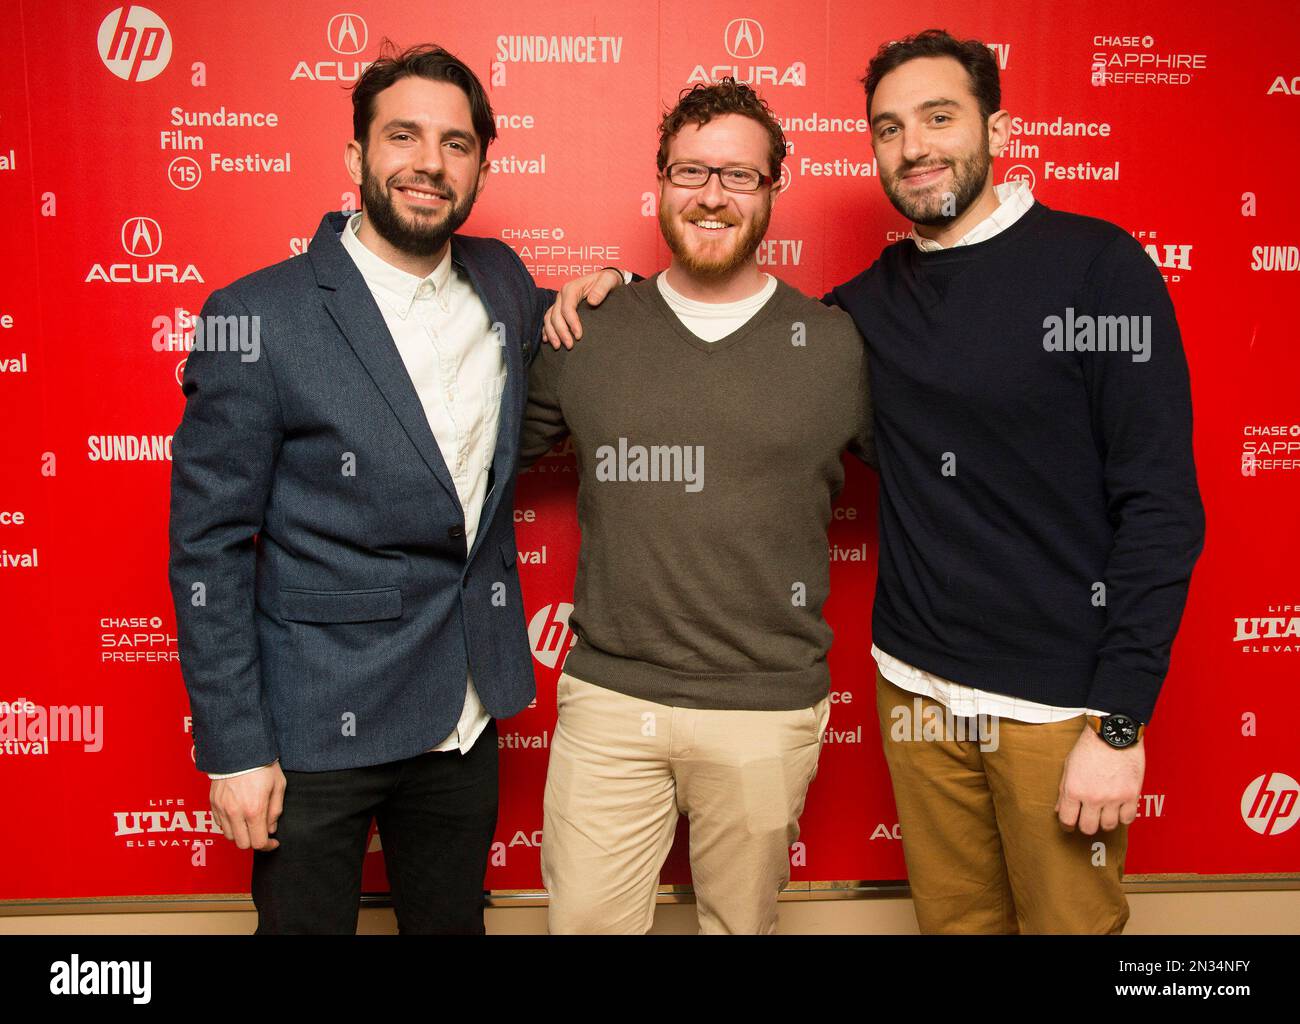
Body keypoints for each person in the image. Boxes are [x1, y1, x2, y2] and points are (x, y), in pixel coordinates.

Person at [544, 29, 1204, 935]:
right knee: (955, 925)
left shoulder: (1098, 267)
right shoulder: (865, 308)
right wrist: (612, 287)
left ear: (998, 130)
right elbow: (729, 329)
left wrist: (1119, 721)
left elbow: (1161, 505)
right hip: (917, 687)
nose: (916, 146)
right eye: (890, 128)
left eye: (940, 118)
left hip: (1058, 702)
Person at [168, 43, 548, 934]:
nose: (428, 163)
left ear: (482, 168)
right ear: (355, 159)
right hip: (313, 721)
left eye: (456, 145)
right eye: (403, 136)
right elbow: (208, 550)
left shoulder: (504, 282)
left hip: (464, 711)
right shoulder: (256, 315)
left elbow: (594, 330)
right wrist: (234, 747)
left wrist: (619, 284)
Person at [519, 79, 875, 934]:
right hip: (610, 700)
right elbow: (471, 463)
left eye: (738, 176)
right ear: (661, 184)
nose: (711, 195)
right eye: (690, 172)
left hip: (765, 707)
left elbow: (953, 481)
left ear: (773, 190)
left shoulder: (833, 345)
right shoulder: (586, 329)